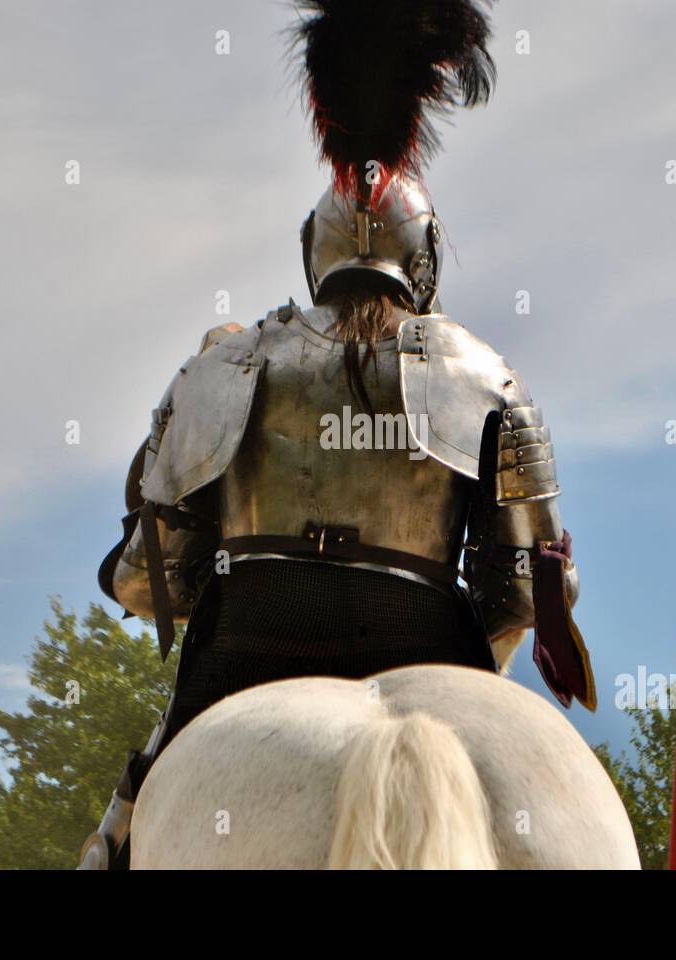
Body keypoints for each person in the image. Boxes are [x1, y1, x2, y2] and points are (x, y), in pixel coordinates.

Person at [78, 0, 594, 870]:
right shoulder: (487, 378)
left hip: (242, 660)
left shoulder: (227, 367)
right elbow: (521, 596)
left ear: (312, 253)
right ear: (424, 259)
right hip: (437, 656)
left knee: (118, 843)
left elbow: (145, 579)